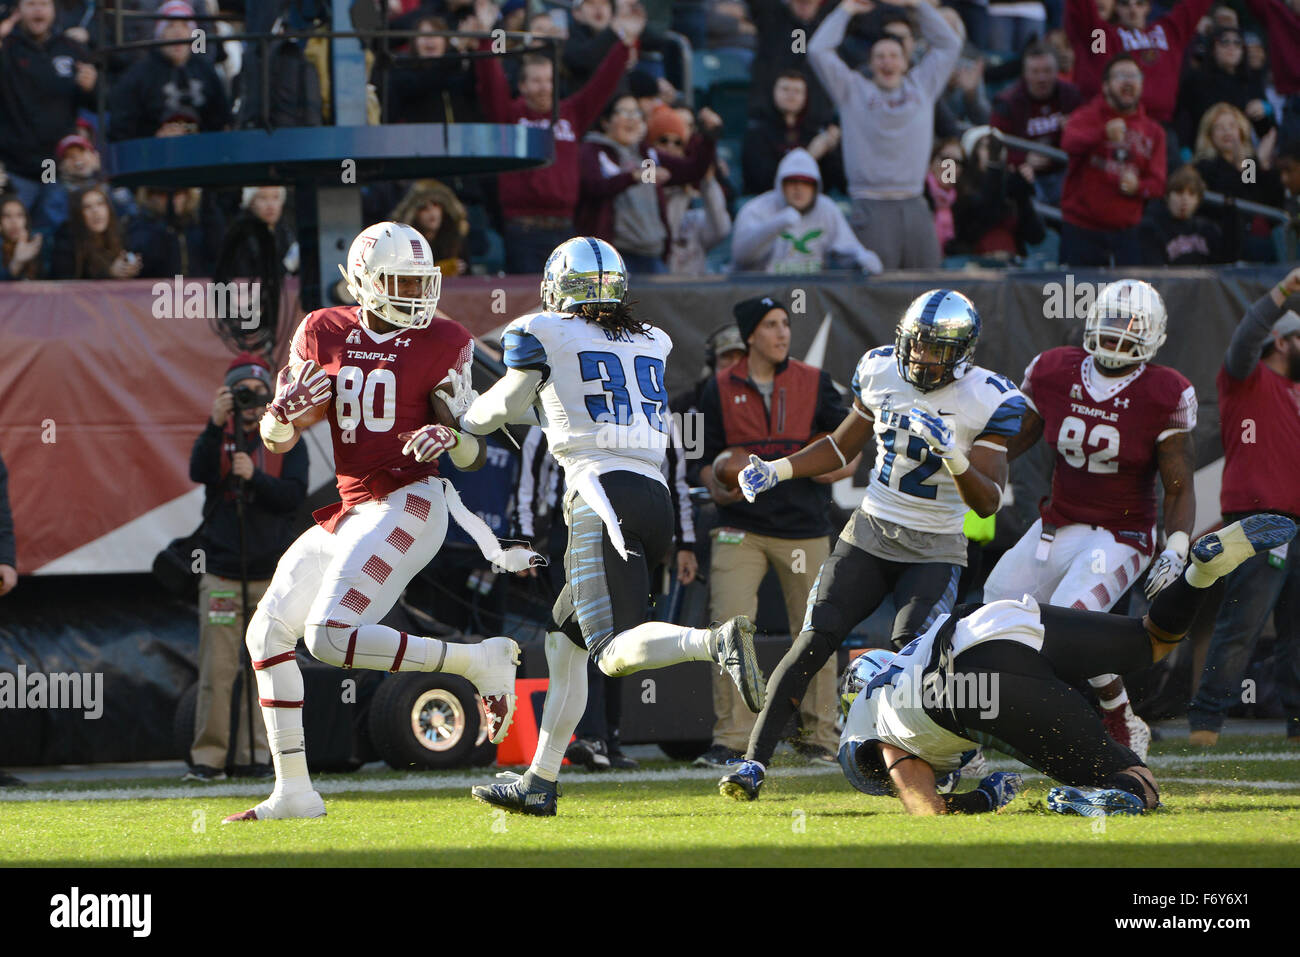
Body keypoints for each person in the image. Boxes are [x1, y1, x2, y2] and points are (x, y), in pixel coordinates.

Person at [222, 222, 542, 823]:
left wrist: (451, 435)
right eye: (400, 281)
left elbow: (471, 450)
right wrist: (278, 415)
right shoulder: (323, 328)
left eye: (423, 282)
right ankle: (295, 791)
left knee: (329, 636)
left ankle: (475, 661)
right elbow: (277, 438)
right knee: (267, 634)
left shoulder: (446, 338)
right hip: (351, 506)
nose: (415, 294)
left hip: (411, 500)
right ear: (363, 281)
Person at [465, 237, 765, 816]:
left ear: (560, 287)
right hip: (649, 494)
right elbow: (568, 399)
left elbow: (504, 405)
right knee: (564, 643)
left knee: (609, 651)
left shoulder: (543, 331)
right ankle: (540, 781)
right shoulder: (649, 339)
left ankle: (715, 642)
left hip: (599, 498)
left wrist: (463, 416)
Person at [719, 288, 1027, 800]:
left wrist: (953, 454)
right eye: (916, 344)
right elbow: (842, 444)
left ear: (962, 353)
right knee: (813, 641)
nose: (921, 358)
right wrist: (777, 470)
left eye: (936, 349)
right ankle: (752, 763)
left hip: (935, 547)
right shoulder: (881, 369)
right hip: (871, 532)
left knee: (912, 659)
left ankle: (942, 762)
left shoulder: (990, 397)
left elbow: (989, 502)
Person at [838, 515, 1298, 815]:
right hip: (990, 619)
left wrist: (976, 802)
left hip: (967, 686)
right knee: (1150, 639)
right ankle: (1199, 573)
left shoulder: (875, 723)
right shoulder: (901, 663)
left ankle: (1102, 797)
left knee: (1139, 782)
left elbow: (926, 810)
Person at [982, 280, 1197, 760]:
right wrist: (966, 457)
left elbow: (1178, 485)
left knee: (1068, 620)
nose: (1118, 333)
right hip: (1057, 525)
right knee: (993, 607)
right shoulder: (1054, 369)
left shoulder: (1167, 391)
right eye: (1112, 320)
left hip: (1122, 533)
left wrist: (1177, 545)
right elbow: (1011, 440)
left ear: (1154, 335)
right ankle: (982, 725)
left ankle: (1118, 715)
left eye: (1131, 325)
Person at [693, 297, 859, 767]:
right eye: (770, 325)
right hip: (738, 527)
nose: (782, 333)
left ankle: (821, 739)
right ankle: (731, 741)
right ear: (750, 336)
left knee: (816, 632)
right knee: (728, 629)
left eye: (786, 324)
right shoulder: (718, 387)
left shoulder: (814, 381)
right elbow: (704, 460)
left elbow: (852, 441)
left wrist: (833, 470)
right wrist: (717, 484)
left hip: (804, 527)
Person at [1187, 267, 1300, 746]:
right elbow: (1246, 334)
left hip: (1296, 523)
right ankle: (1207, 724)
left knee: (1296, 632)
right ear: (1283, 341)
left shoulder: (1296, 393)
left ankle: (1297, 723)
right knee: (1242, 624)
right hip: (1256, 521)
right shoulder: (1244, 378)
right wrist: (1284, 291)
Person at [184, 353, 309, 782]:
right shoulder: (218, 437)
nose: (251, 403)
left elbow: (293, 496)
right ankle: (209, 759)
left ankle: (259, 756)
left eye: (259, 394)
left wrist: (254, 477)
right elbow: (198, 471)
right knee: (217, 671)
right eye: (243, 394)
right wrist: (213, 425)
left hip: (270, 579)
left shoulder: (288, 439)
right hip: (221, 573)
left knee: (267, 670)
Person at [475, 13, 642, 275]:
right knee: (528, 304)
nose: (544, 87)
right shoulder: (508, 116)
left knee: (566, 308)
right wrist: (485, 39)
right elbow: (490, 84)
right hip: (523, 230)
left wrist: (625, 42)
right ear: (522, 85)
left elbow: (603, 84)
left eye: (549, 81)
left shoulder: (572, 112)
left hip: (565, 228)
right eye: (537, 81)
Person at [808, 0, 961, 271]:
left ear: (905, 63)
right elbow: (817, 50)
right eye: (880, 56)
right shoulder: (851, 90)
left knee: (929, 289)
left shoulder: (923, 86)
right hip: (870, 204)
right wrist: (847, 9)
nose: (887, 61)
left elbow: (950, 45)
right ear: (870, 63)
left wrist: (919, 5)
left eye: (894, 55)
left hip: (915, 203)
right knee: (877, 293)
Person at [575, 92, 717, 273]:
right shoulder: (592, 150)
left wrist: (709, 137)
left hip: (652, 254)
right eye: (624, 113)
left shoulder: (646, 153)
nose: (632, 120)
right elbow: (593, 186)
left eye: (636, 113)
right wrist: (635, 176)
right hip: (613, 258)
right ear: (605, 121)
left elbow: (692, 170)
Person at [1059, 54, 1166, 267]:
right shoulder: (1086, 116)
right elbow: (1068, 143)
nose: (1128, 82)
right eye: (1120, 76)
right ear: (1106, 86)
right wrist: (1102, 134)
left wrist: (1139, 187)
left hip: (1127, 235)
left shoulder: (1154, 131)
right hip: (1082, 231)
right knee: (1077, 300)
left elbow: (1158, 184)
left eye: (1134, 76)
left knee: (1126, 301)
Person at [0, 0, 98, 233]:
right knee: (12, 241)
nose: (38, 10)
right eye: (31, 4)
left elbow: (98, 104)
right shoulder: (6, 48)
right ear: (19, 11)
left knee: (57, 238)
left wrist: (91, 87)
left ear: (54, 10)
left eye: (44, 4)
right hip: (16, 169)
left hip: (59, 167)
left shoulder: (71, 48)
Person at [731, 148, 883, 274]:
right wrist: (776, 225)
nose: (798, 188)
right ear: (780, 184)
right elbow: (741, 256)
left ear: (816, 187)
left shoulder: (826, 208)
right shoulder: (756, 209)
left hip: (812, 291)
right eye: (792, 182)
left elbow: (845, 249)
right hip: (763, 292)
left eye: (806, 183)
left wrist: (860, 256)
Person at [1066, 0, 1214, 127]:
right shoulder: (1103, 36)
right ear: (1116, 7)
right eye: (1125, 3)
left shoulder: (1170, 31)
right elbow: (1082, 11)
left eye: (1139, 3)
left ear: (1149, 6)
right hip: (1117, 125)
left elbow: (1196, 4)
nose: (1132, 9)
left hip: (1162, 125)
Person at [108, 1, 231, 141]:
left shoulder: (206, 72)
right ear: (160, 34)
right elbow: (122, 127)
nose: (178, 33)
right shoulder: (138, 75)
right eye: (171, 26)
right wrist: (155, 137)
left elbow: (221, 120)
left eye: (184, 25)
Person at [991, 40, 1083, 206]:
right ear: (1025, 74)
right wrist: (1022, 158)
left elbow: (1089, 136)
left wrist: (1075, 130)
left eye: (1047, 71)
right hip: (1026, 175)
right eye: (1035, 72)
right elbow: (993, 146)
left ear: (1057, 71)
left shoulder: (1072, 96)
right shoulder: (1007, 101)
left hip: (1063, 171)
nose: (1042, 78)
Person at [1193, 103, 1287, 263]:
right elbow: (1231, 200)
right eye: (1219, 127)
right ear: (1209, 134)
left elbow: (1255, 196)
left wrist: (1261, 166)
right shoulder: (1204, 166)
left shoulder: (1249, 163)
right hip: (1223, 238)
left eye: (1231, 126)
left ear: (1241, 130)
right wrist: (1238, 169)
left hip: (1255, 235)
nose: (1227, 131)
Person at [742, 70, 845, 197]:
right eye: (785, 89)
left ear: (806, 96)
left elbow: (835, 183)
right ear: (773, 92)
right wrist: (810, 156)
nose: (791, 95)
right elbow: (761, 182)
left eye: (797, 91)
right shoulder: (757, 133)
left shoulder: (815, 133)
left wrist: (832, 149)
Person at [947, 125, 1045, 259]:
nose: (991, 152)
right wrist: (994, 168)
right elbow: (985, 215)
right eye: (984, 146)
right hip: (973, 265)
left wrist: (1023, 195)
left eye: (995, 147)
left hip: (1013, 266)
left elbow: (1036, 236)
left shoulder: (1011, 184)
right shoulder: (960, 188)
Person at [1176, 26, 1274, 155]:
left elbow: (1267, 133)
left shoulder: (1251, 83)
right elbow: (1183, 117)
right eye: (1224, 42)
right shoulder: (1195, 80)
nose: (1231, 47)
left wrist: (1265, 111)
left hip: (1242, 157)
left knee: (1250, 174)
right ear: (1213, 48)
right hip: (1203, 154)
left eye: (1237, 42)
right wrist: (1184, 148)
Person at [50, 186, 142, 280]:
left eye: (100, 204)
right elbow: (65, 282)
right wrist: (109, 273)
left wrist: (129, 268)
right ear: (77, 214)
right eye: (87, 207)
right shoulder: (66, 240)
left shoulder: (118, 233)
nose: (96, 211)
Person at [1139, 164, 1225, 264]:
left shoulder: (1208, 230)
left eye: (1191, 194)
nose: (1185, 199)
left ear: (1198, 200)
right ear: (1167, 196)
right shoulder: (1151, 230)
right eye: (1179, 192)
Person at [391, 179, 470, 277]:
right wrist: (441, 270)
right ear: (414, 215)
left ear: (443, 209)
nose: (431, 211)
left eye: (436, 205)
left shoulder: (457, 241)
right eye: (423, 207)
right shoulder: (405, 245)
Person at [0, 195, 44, 279]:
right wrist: (17, 262)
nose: (14, 221)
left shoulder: (33, 244)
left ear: (26, 220)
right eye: (7, 216)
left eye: (19, 215)